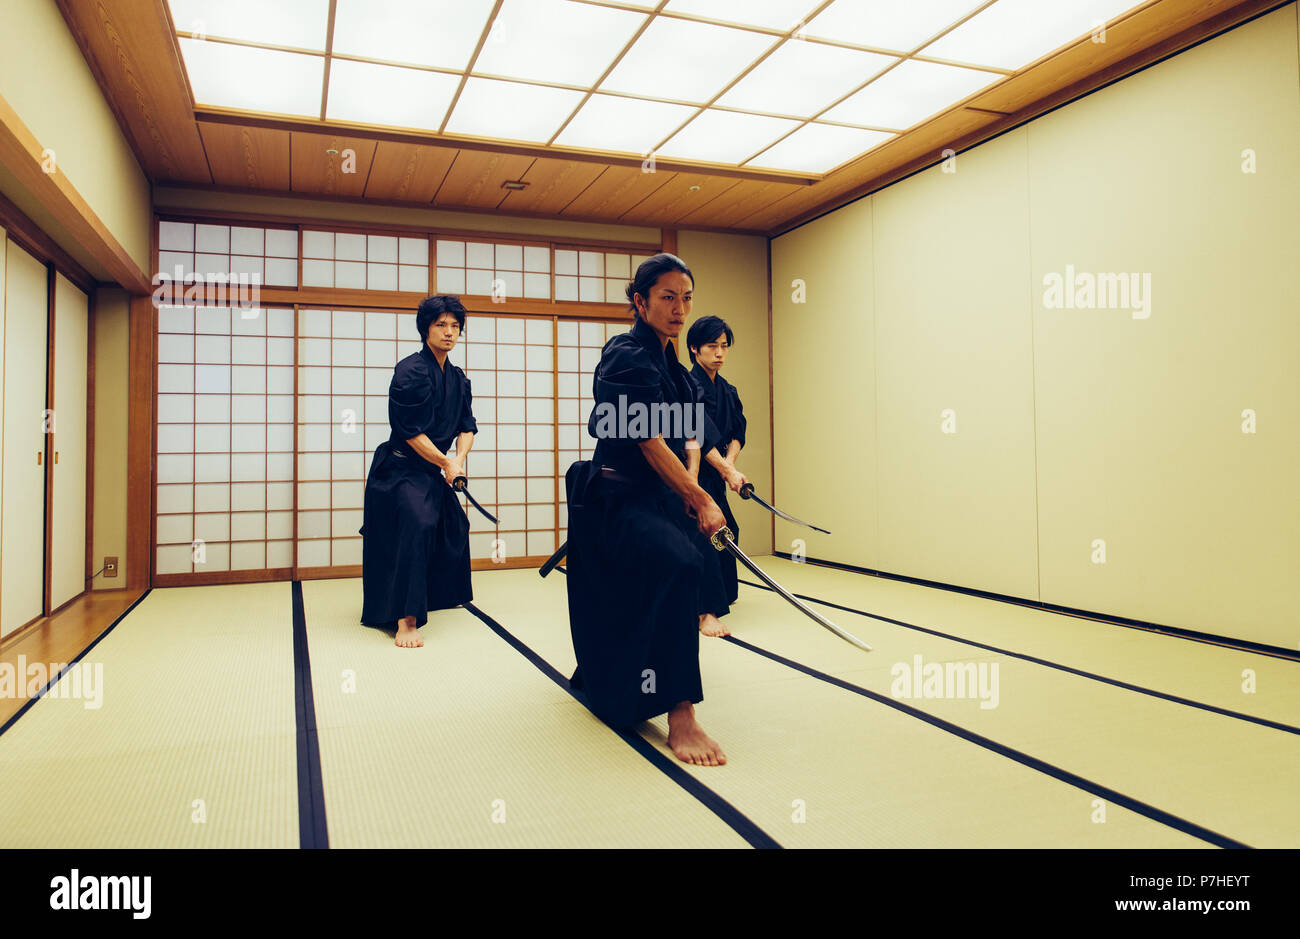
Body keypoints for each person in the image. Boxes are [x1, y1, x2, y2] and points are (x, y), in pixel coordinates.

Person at [564, 253, 731, 766]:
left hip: (656, 494)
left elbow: (686, 442)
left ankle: (617, 678)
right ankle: (681, 712)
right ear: (639, 301)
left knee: (686, 563)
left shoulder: (677, 371)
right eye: (667, 297)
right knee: (679, 564)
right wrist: (697, 497)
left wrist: (693, 489)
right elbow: (645, 438)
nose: (679, 309)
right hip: (616, 497)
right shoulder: (625, 354)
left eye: (686, 299)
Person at [359, 295, 477, 648]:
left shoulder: (457, 378)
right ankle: (405, 620)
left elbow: (467, 426)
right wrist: (446, 462)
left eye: (455, 326)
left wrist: (457, 460)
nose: (449, 332)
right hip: (399, 469)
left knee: (455, 525)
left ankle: (436, 596)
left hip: (433, 468)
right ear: (426, 328)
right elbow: (409, 431)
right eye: (441, 324)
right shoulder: (410, 371)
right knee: (418, 523)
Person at [686, 316, 749, 634]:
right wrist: (726, 469)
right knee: (705, 534)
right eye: (713, 346)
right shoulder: (686, 385)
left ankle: (723, 596)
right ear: (695, 348)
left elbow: (737, 431)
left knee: (729, 530)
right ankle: (704, 612)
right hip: (691, 473)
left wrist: (730, 466)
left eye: (724, 346)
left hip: (718, 473)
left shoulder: (728, 390)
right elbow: (697, 434)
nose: (720, 352)